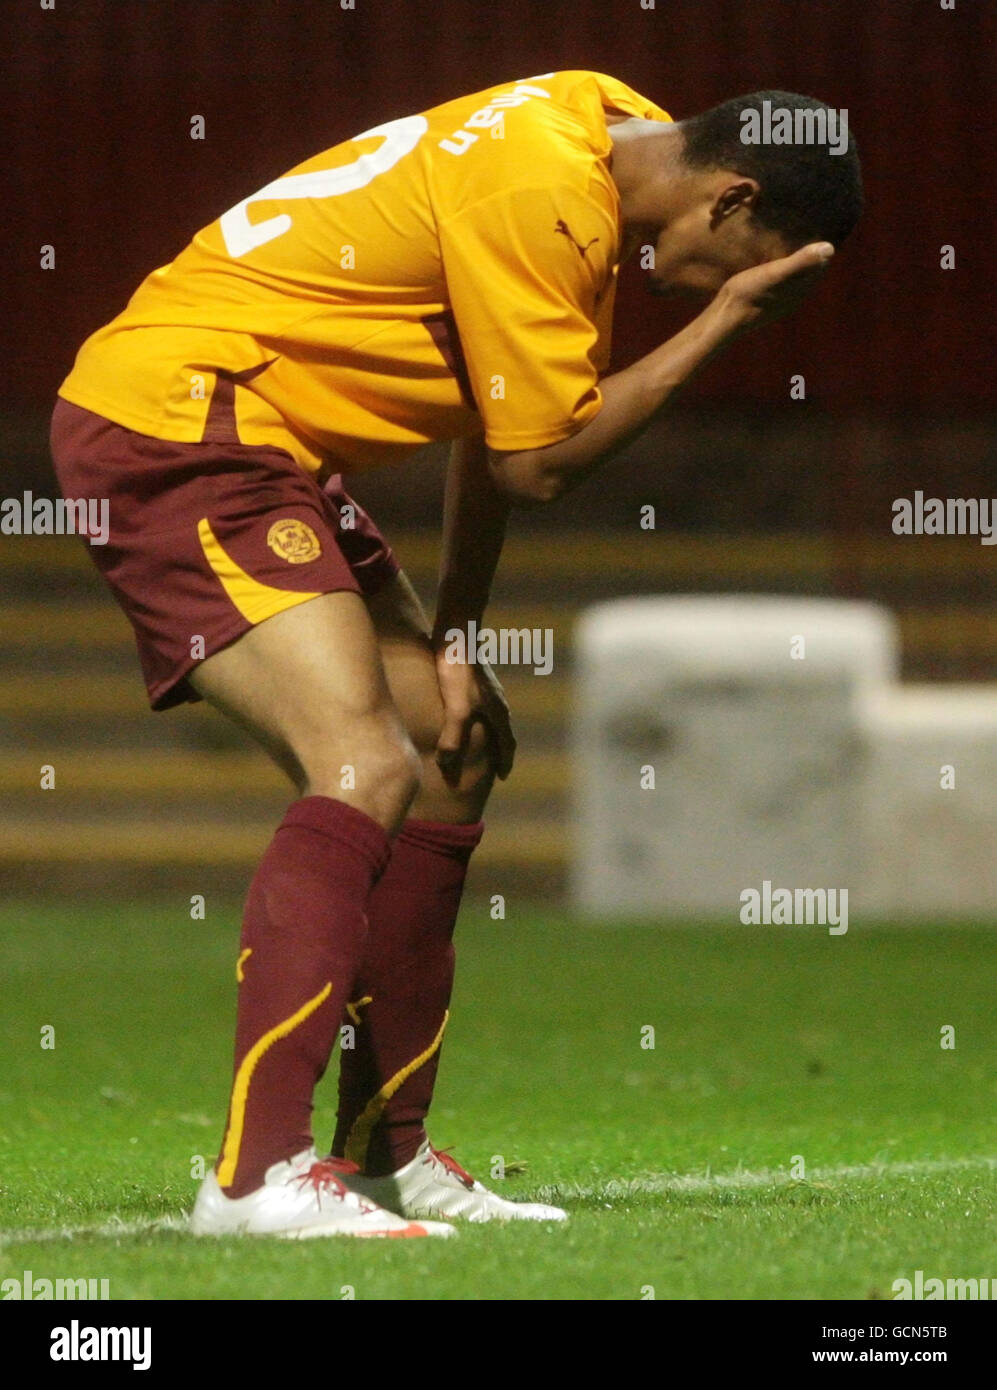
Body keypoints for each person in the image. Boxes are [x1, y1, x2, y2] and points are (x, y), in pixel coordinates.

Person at [50, 70, 862, 1238]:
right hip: (179, 421)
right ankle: (249, 1179)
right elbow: (542, 461)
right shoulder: (551, 192)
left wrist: (456, 639)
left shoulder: (591, 118)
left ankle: (382, 1154)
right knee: (361, 767)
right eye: (741, 264)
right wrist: (726, 323)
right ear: (731, 201)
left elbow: (501, 426)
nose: (713, 285)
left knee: (444, 754)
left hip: (257, 438)